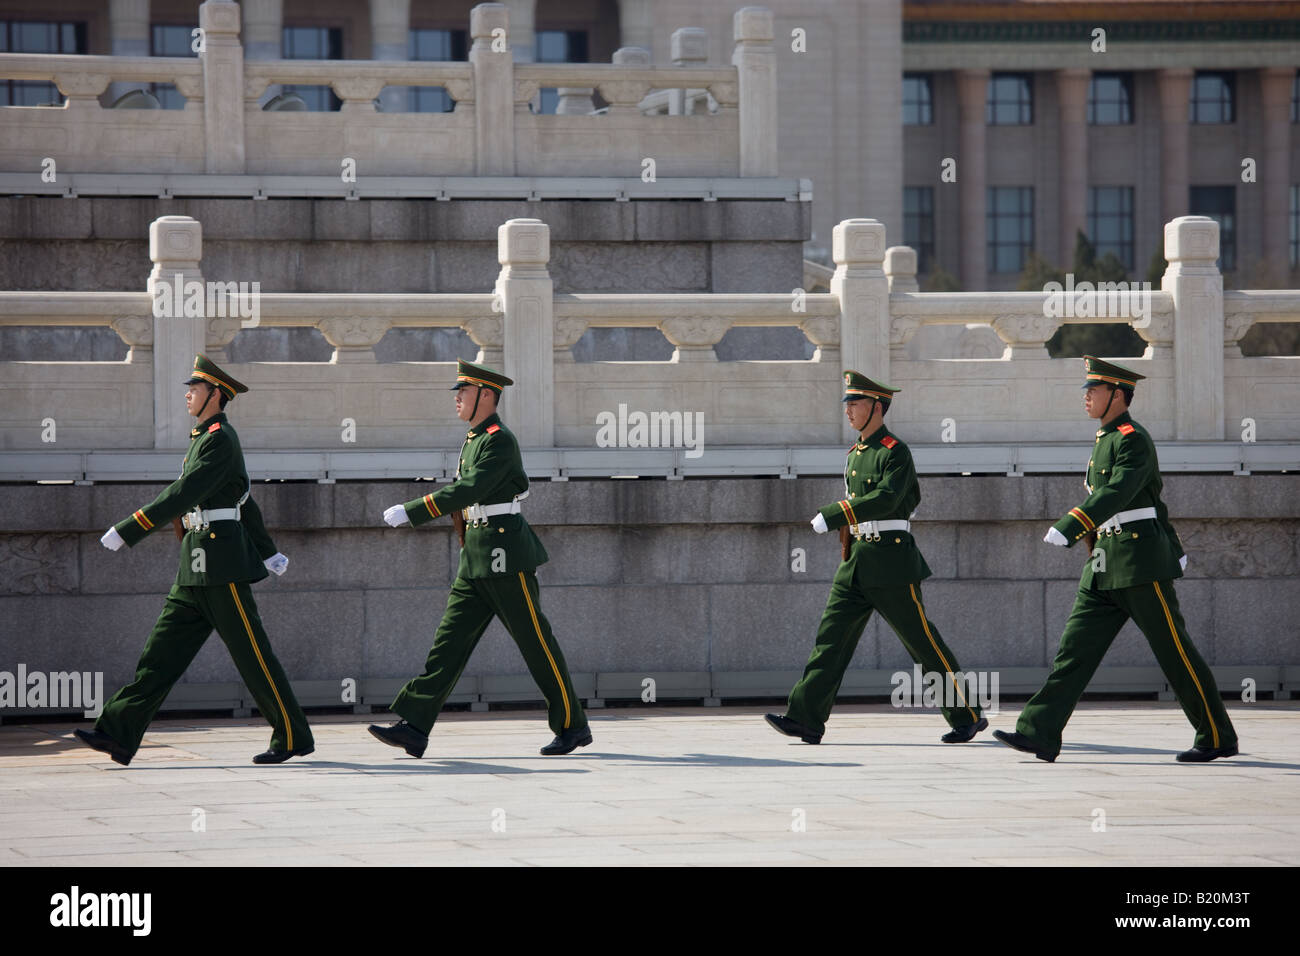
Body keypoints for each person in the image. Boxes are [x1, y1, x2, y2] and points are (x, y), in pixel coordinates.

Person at [994, 356, 1238, 763]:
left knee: (1174, 652)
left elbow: (1118, 493)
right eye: (1087, 390)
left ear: (1118, 395)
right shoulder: (1104, 438)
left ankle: (1216, 736)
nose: (1086, 396)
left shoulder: (1132, 438)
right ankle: (1039, 731)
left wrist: (1073, 523)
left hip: (1139, 561)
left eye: (1095, 390)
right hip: (1104, 562)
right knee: (1074, 651)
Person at [77, 354, 314, 766]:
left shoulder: (221, 438)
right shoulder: (204, 438)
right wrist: (269, 550)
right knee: (160, 656)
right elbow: (243, 499)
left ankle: (292, 735)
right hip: (196, 566)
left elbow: (187, 492)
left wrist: (131, 527)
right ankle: (117, 732)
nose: (188, 394)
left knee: (254, 657)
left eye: (196, 388)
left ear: (216, 394)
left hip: (221, 566)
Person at [370, 359, 591, 757]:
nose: (457, 399)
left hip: (505, 554)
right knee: (448, 645)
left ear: (486, 395)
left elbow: (470, 489)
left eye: (464, 392)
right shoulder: (475, 438)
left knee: (536, 644)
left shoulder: (498, 440)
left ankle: (572, 725)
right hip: (476, 557)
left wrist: (416, 509)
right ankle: (415, 725)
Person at [766, 370, 986, 744]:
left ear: (877, 407)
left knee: (922, 643)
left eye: (856, 403)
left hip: (891, 563)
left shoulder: (894, 452)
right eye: (847, 404)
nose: (848, 410)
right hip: (855, 563)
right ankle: (805, 717)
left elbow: (887, 499)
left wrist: (835, 513)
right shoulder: (855, 454)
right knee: (830, 641)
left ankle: (966, 715)